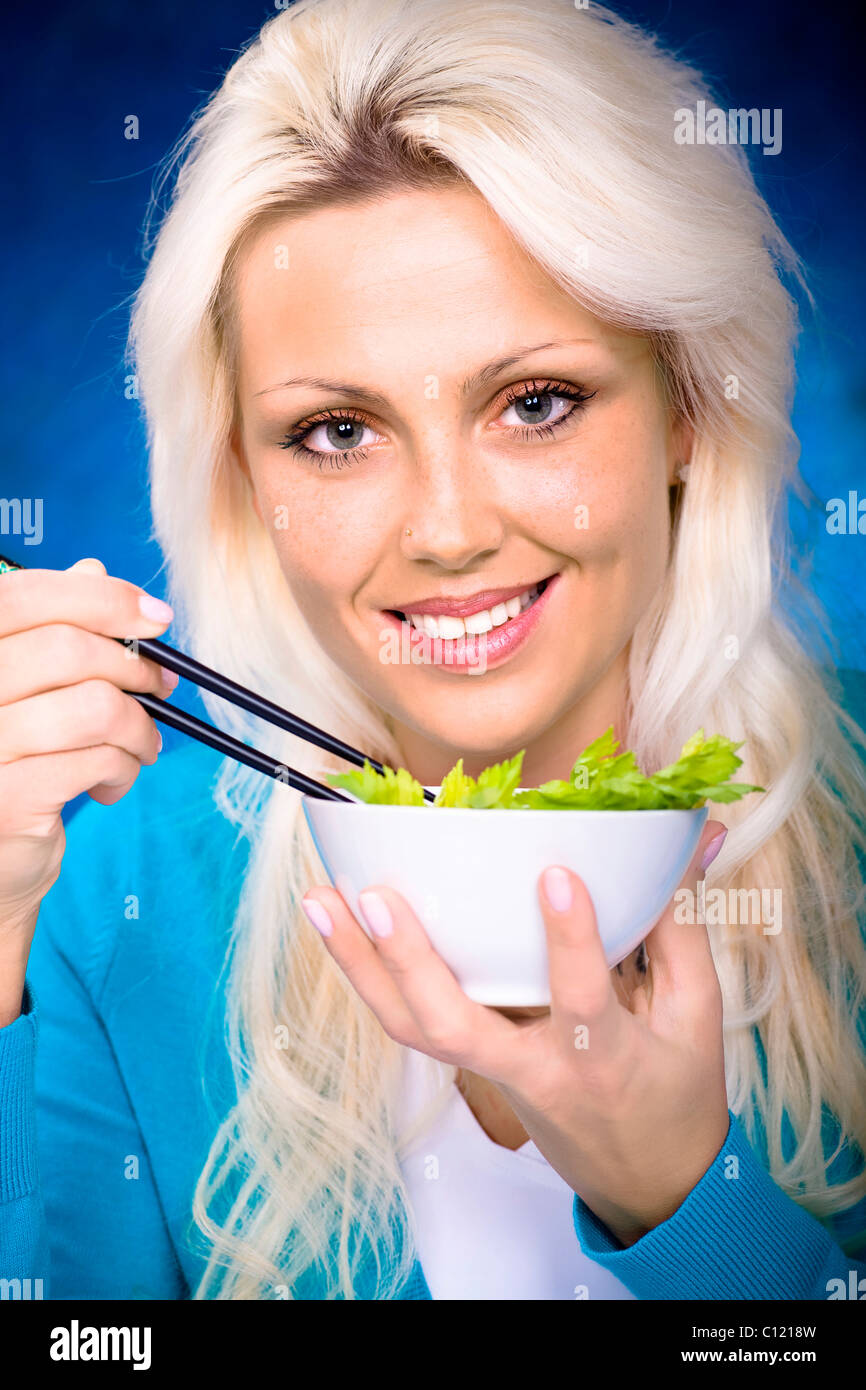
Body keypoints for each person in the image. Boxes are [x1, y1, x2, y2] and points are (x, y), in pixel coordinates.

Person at [1, 0, 864, 1301]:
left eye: (535, 403)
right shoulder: (108, 895)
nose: (448, 532)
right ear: (238, 469)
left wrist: (691, 1202)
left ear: (689, 408)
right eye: (337, 431)